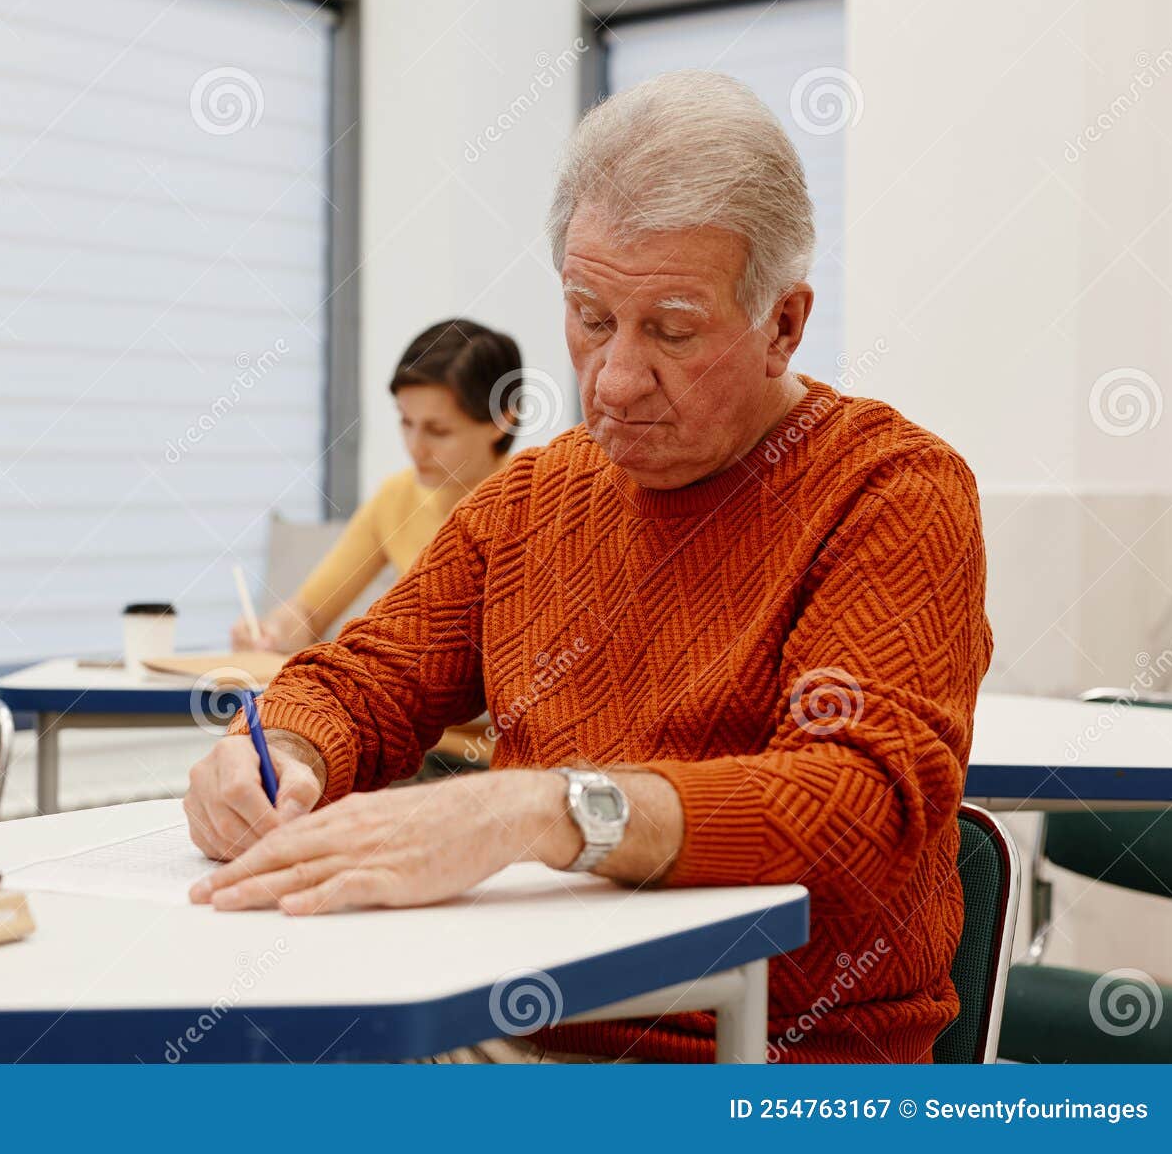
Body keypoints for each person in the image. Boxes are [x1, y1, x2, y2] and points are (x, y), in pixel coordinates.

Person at [183, 71, 993, 1064]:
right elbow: (365, 677)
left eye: (672, 330)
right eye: (590, 316)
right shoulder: (534, 497)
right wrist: (281, 756)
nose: (611, 378)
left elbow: (858, 808)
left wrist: (551, 806)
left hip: (765, 1057)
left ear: (783, 323)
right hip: (517, 1016)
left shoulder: (892, 492)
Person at [230, 318, 522, 653]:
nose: (415, 447)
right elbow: (309, 611)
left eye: (438, 430)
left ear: (502, 420)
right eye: (406, 422)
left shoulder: (539, 497)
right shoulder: (396, 499)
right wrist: (272, 633)